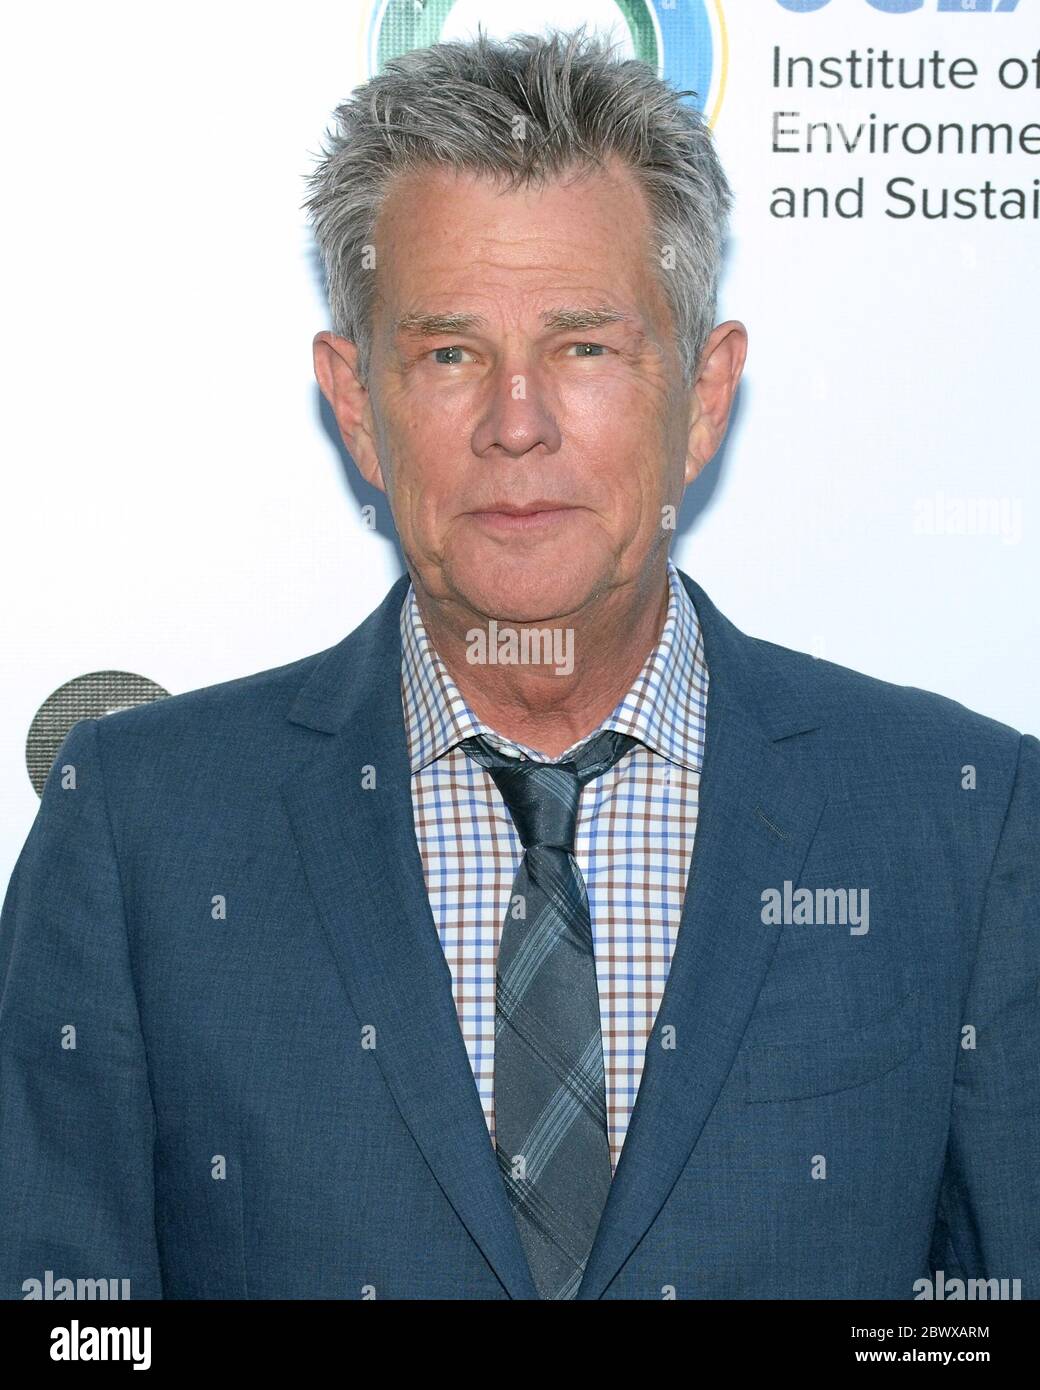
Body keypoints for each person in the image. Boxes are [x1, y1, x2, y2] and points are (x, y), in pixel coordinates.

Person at [1, 27, 1036, 1302]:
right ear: (353, 403)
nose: (515, 420)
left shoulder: (962, 820)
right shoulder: (141, 825)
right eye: (448, 354)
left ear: (704, 396)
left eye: (583, 347)